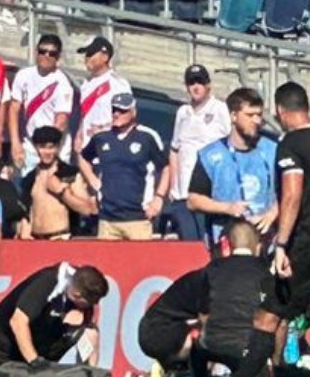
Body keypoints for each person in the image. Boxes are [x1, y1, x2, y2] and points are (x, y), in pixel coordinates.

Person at [194, 83, 310, 377]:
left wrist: (283, 243)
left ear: (283, 112)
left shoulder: (291, 143)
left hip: (303, 245)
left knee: (265, 320)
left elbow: (293, 194)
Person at [137, 222, 274, 377]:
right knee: (206, 339)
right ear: (259, 247)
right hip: (162, 331)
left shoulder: (213, 271)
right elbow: (207, 319)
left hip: (155, 328)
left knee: (214, 341)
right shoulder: (256, 272)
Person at [0, 264, 111, 377]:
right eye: (92, 302)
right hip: (3, 342)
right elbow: (18, 322)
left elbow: (90, 333)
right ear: (78, 295)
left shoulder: (82, 294)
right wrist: (35, 362)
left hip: (39, 338)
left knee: (90, 331)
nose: (95, 305)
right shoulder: (47, 283)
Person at [186, 86, 279, 245]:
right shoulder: (210, 156)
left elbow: (291, 192)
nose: (257, 121)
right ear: (234, 116)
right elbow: (193, 200)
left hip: (265, 244)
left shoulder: (273, 150)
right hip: (225, 243)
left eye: (259, 115)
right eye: (250, 115)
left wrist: (272, 214)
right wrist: (228, 208)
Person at [79, 93, 169, 240]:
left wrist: (158, 198)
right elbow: (83, 158)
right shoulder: (102, 137)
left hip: (138, 218)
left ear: (133, 112)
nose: (116, 114)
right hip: (107, 219)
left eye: (122, 111)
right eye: (114, 110)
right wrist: (92, 181)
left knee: (140, 262)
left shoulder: (147, 137)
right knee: (105, 262)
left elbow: (165, 167)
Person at [165, 66, 228, 242]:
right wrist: (174, 186)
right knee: (189, 245)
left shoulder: (220, 109)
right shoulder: (182, 113)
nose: (196, 87)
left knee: (208, 243)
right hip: (183, 195)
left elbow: (230, 145)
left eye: (200, 82)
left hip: (208, 194)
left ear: (208, 85)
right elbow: (175, 149)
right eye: (191, 83)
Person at [6, 33, 73, 167]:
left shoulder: (62, 83)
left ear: (58, 57)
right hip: (30, 145)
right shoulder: (23, 75)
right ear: (36, 52)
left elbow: (61, 121)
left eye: (52, 53)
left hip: (55, 147)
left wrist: (47, 150)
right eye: (43, 51)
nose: (46, 56)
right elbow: (14, 109)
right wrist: (15, 143)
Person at [20, 126, 89, 238]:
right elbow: (26, 211)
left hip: (61, 238)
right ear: (36, 148)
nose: (47, 152)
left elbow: (87, 209)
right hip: (35, 240)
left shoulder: (70, 174)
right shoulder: (30, 177)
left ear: (58, 147)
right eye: (42, 147)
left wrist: (62, 193)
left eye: (51, 147)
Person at [74, 35, 130, 146]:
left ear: (105, 56)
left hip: (108, 146)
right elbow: (85, 114)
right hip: (86, 146)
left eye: (90, 54)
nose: (87, 58)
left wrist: (103, 129)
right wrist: (79, 134)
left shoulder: (118, 84)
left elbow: (126, 116)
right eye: (86, 54)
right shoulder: (86, 83)